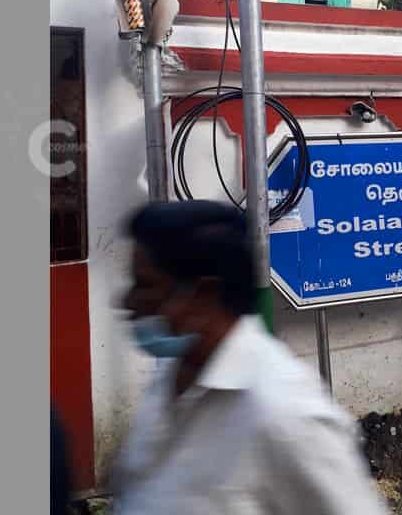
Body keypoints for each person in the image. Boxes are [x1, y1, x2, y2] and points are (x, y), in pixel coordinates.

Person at [109, 200, 388, 515]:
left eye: (146, 287)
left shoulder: (286, 415)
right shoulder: (173, 377)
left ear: (202, 296)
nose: (128, 302)